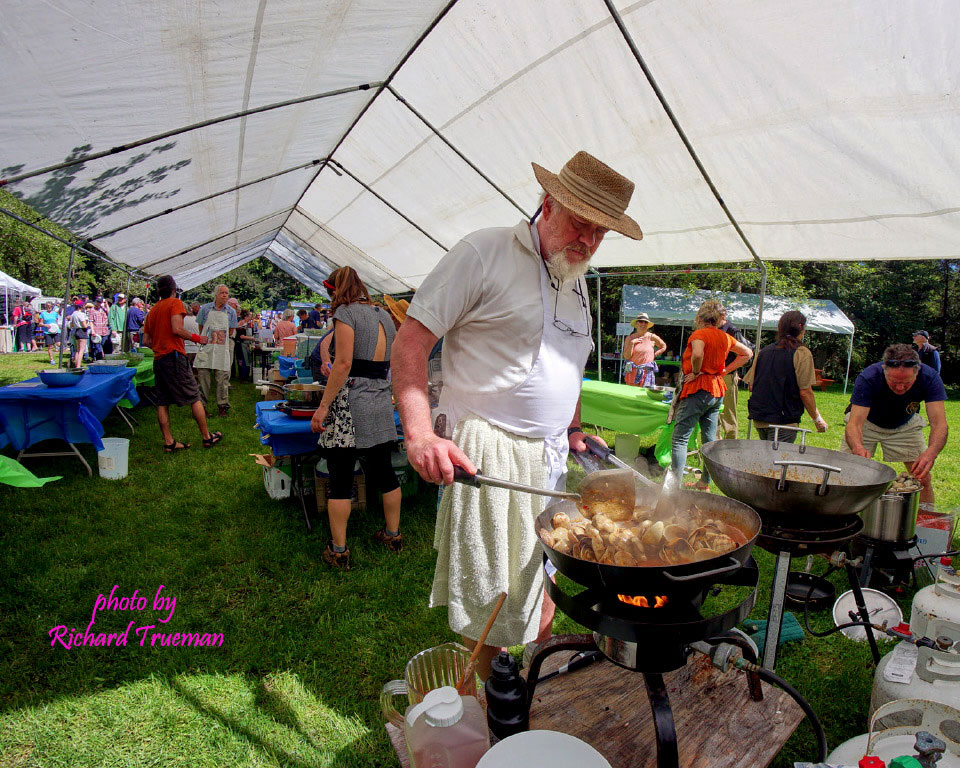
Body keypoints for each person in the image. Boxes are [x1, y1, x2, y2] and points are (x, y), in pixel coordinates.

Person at [393, 150, 641, 680]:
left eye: (602, 233)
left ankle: (524, 688)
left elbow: (569, 363)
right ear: (549, 203)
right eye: (582, 224)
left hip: (549, 458)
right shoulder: (483, 253)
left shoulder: (575, 280)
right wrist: (418, 434)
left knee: (542, 585)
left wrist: (573, 429)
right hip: (486, 454)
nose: (590, 241)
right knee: (492, 597)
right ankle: (488, 705)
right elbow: (411, 342)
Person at [310, 266, 402, 569]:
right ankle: (393, 535)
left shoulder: (346, 313)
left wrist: (323, 407)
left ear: (336, 290)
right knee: (385, 473)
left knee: (340, 478)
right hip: (379, 401)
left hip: (351, 404)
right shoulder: (383, 315)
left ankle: (338, 550)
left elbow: (345, 363)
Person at [844, 343, 948, 504]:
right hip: (867, 423)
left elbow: (939, 424)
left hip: (905, 425)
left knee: (923, 479)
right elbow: (855, 424)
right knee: (848, 477)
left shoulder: (930, 377)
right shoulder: (869, 377)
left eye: (906, 382)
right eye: (893, 381)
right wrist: (857, 447)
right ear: (884, 370)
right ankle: (844, 520)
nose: (900, 387)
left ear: (917, 372)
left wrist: (931, 452)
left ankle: (925, 524)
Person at [671, 299, 752, 490]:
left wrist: (697, 372)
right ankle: (704, 483)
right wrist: (724, 371)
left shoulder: (699, 334)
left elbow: (697, 355)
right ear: (718, 320)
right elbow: (747, 353)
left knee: (680, 438)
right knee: (710, 441)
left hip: (699, 387)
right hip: (716, 389)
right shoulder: (725, 337)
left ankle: (674, 487)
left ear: (700, 318)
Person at [141, 275, 222, 452]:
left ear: (158, 291)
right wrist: (198, 338)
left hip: (159, 359)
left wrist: (159, 342)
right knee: (194, 396)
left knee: (162, 401)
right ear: (173, 289)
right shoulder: (175, 303)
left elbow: (146, 341)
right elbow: (177, 329)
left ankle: (169, 442)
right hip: (174, 357)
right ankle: (207, 437)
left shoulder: (152, 310)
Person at [743, 310, 828, 441]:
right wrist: (817, 419)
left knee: (767, 459)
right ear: (802, 329)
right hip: (784, 420)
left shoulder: (764, 352)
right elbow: (805, 392)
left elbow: (751, 386)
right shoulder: (801, 352)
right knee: (779, 460)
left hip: (760, 418)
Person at [193, 284, 237, 417]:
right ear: (216, 294)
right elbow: (201, 327)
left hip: (223, 348)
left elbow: (230, 331)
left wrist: (219, 339)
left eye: (227, 293)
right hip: (207, 347)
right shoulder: (205, 309)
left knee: (222, 378)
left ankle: (222, 405)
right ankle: (202, 407)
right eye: (222, 293)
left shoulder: (231, 312)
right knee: (203, 378)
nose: (224, 295)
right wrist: (208, 339)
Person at [718, 316, 753, 439]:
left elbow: (747, 354)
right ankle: (713, 448)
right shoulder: (713, 328)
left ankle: (729, 449)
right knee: (712, 415)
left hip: (726, 377)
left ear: (722, 315)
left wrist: (726, 370)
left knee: (728, 415)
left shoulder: (732, 329)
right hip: (713, 377)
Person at [621, 313, 666, 387]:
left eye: (645, 322)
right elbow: (626, 357)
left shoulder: (652, 337)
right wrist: (632, 344)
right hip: (632, 373)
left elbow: (663, 346)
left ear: (648, 325)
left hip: (647, 373)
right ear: (636, 323)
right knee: (631, 395)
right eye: (641, 321)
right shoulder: (630, 338)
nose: (643, 324)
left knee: (644, 396)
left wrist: (654, 354)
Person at [68, 302, 91, 368]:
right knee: (82, 350)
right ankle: (78, 365)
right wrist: (88, 323)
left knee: (77, 349)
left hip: (76, 330)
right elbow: (84, 325)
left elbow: (71, 325)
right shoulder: (81, 314)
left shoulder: (73, 314)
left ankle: (76, 364)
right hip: (82, 331)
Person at [183, 302, 202, 372]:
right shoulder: (197, 320)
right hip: (196, 349)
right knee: (196, 373)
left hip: (185, 349)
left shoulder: (181, 320)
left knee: (185, 372)